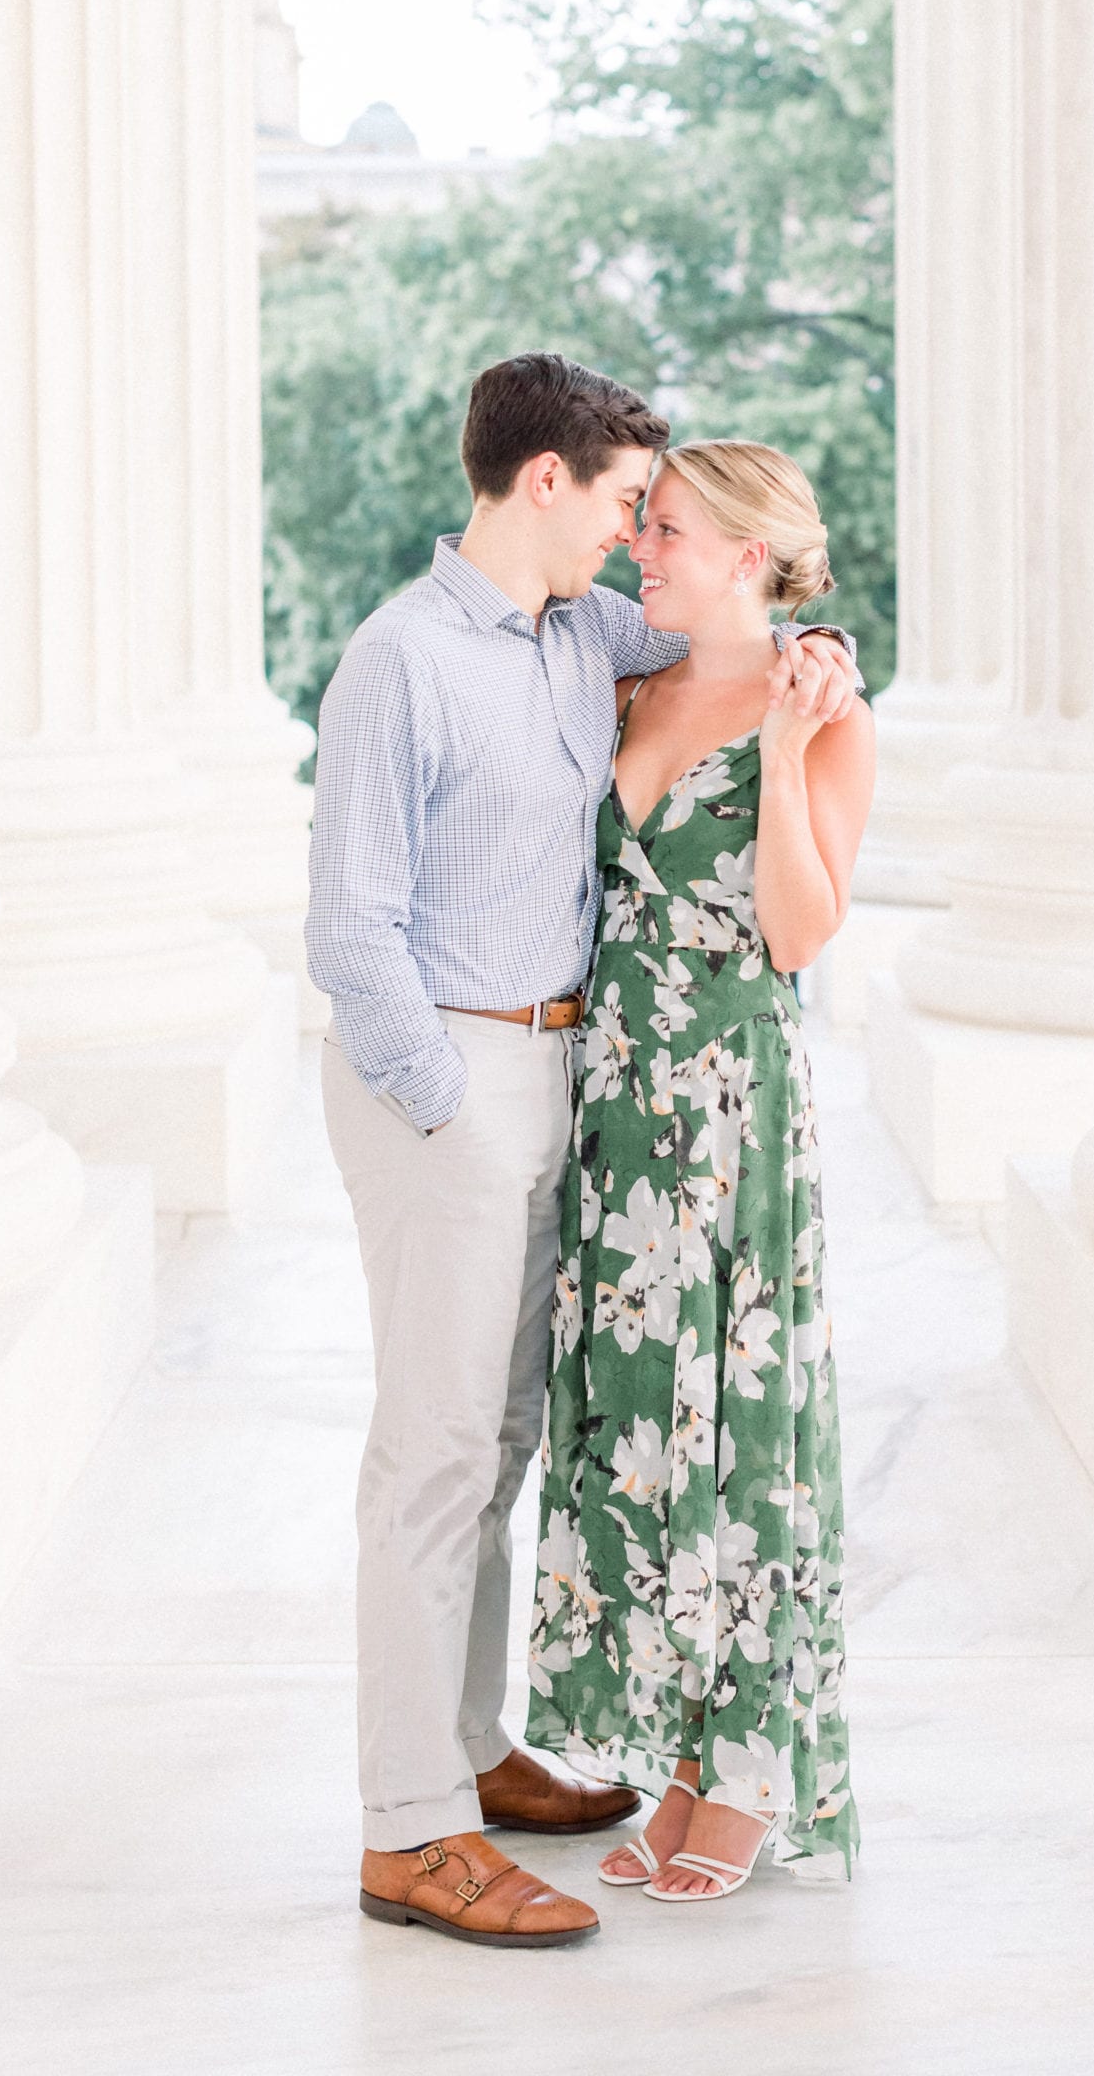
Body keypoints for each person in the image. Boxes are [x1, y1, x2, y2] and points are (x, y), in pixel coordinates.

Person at [306, 356, 858, 1950]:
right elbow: (350, 931)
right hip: (453, 1075)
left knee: (497, 1442)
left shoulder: (581, 639)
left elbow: (742, 641)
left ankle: (471, 1752)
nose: (638, 540)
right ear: (541, 482)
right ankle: (409, 1833)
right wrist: (446, 1100)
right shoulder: (399, 660)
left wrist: (814, 660)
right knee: (431, 1455)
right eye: (626, 504)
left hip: (573, 1071)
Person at [527, 440, 874, 1904]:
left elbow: (799, 939)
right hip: (615, 1103)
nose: (639, 549)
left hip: (737, 1103)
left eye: (663, 531)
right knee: (629, 1426)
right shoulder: (620, 681)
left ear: (747, 554)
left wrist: (787, 754)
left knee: (737, 1428)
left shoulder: (828, 713)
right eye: (642, 524)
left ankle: (744, 1777)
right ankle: (670, 1753)